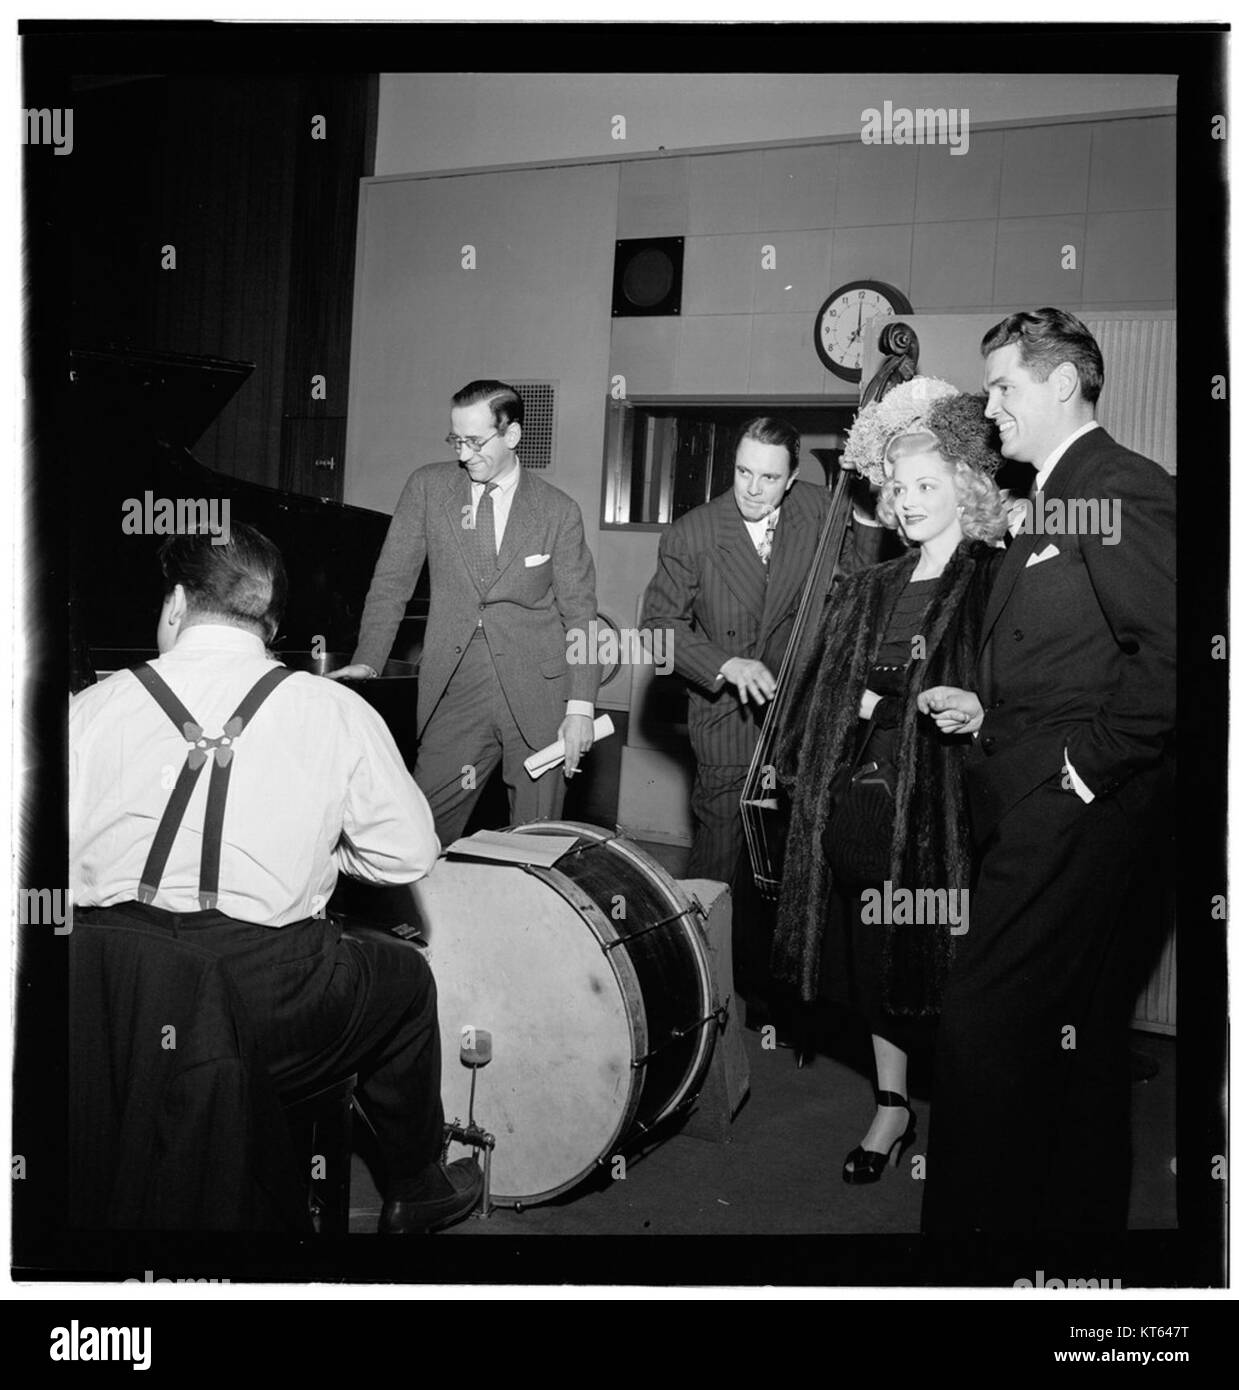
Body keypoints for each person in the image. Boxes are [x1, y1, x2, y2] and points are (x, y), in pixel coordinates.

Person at [70, 524, 481, 1234]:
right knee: (406, 981)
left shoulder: (90, 709)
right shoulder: (332, 709)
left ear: (175, 604)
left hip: (100, 999)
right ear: (273, 624)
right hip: (259, 1004)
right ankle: (416, 1186)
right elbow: (410, 856)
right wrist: (323, 858)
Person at [919, 308, 1176, 1233]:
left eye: (1002, 387)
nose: (988, 409)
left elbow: (1175, 658)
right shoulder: (1058, 490)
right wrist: (991, 711)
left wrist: (1080, 771)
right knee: (1077, 1046)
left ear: (1062, 383)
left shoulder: (1116, 483)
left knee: (983, 1032)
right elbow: (1083, 658)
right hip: (1050, 793)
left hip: (1073, 812)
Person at [771, 392, 1007, 1184]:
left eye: (924, 487)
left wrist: (960, 710)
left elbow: (1018, 694)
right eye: (897, 488)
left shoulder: (992, 578)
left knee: (955, 973)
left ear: (965, 488)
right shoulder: (870, 585)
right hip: (865, 806)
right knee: (875, 964)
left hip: (953, 815)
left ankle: (973, 1111)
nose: (906, 503)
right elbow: (827, 701)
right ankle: (892, 1104)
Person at [640, 417, 885, 1007]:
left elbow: (862, 585)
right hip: (730, 722)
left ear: (793, 476)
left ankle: (783, 990)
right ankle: (691, 986)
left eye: (769, 477)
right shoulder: (693, 534)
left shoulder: (821, 511)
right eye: (743, 472)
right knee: (721, 860)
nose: (752, 488)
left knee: (801, 860)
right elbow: (656, 631)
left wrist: (873, 518)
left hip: (804, 718)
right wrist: (725, 664)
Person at [331, 380, 600, 846]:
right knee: (417, 833)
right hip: (456, 684)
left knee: (536, 847)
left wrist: (580, 708)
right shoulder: (428, 488)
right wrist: (370, 657)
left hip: (541, 697)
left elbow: (581, 617)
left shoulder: (559, 511)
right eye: (456, 439)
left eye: (475, 441)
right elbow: (392, 581)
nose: (463, 453)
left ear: (512, 435)